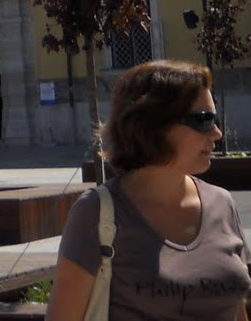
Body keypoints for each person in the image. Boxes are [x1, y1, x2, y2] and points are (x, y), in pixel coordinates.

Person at [46, 60, 251, 321]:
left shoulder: (222, 204)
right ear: (153, 124)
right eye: (203, 120)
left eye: (215, 119)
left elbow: (236, 312)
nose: (217, 133)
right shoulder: (96, 214)